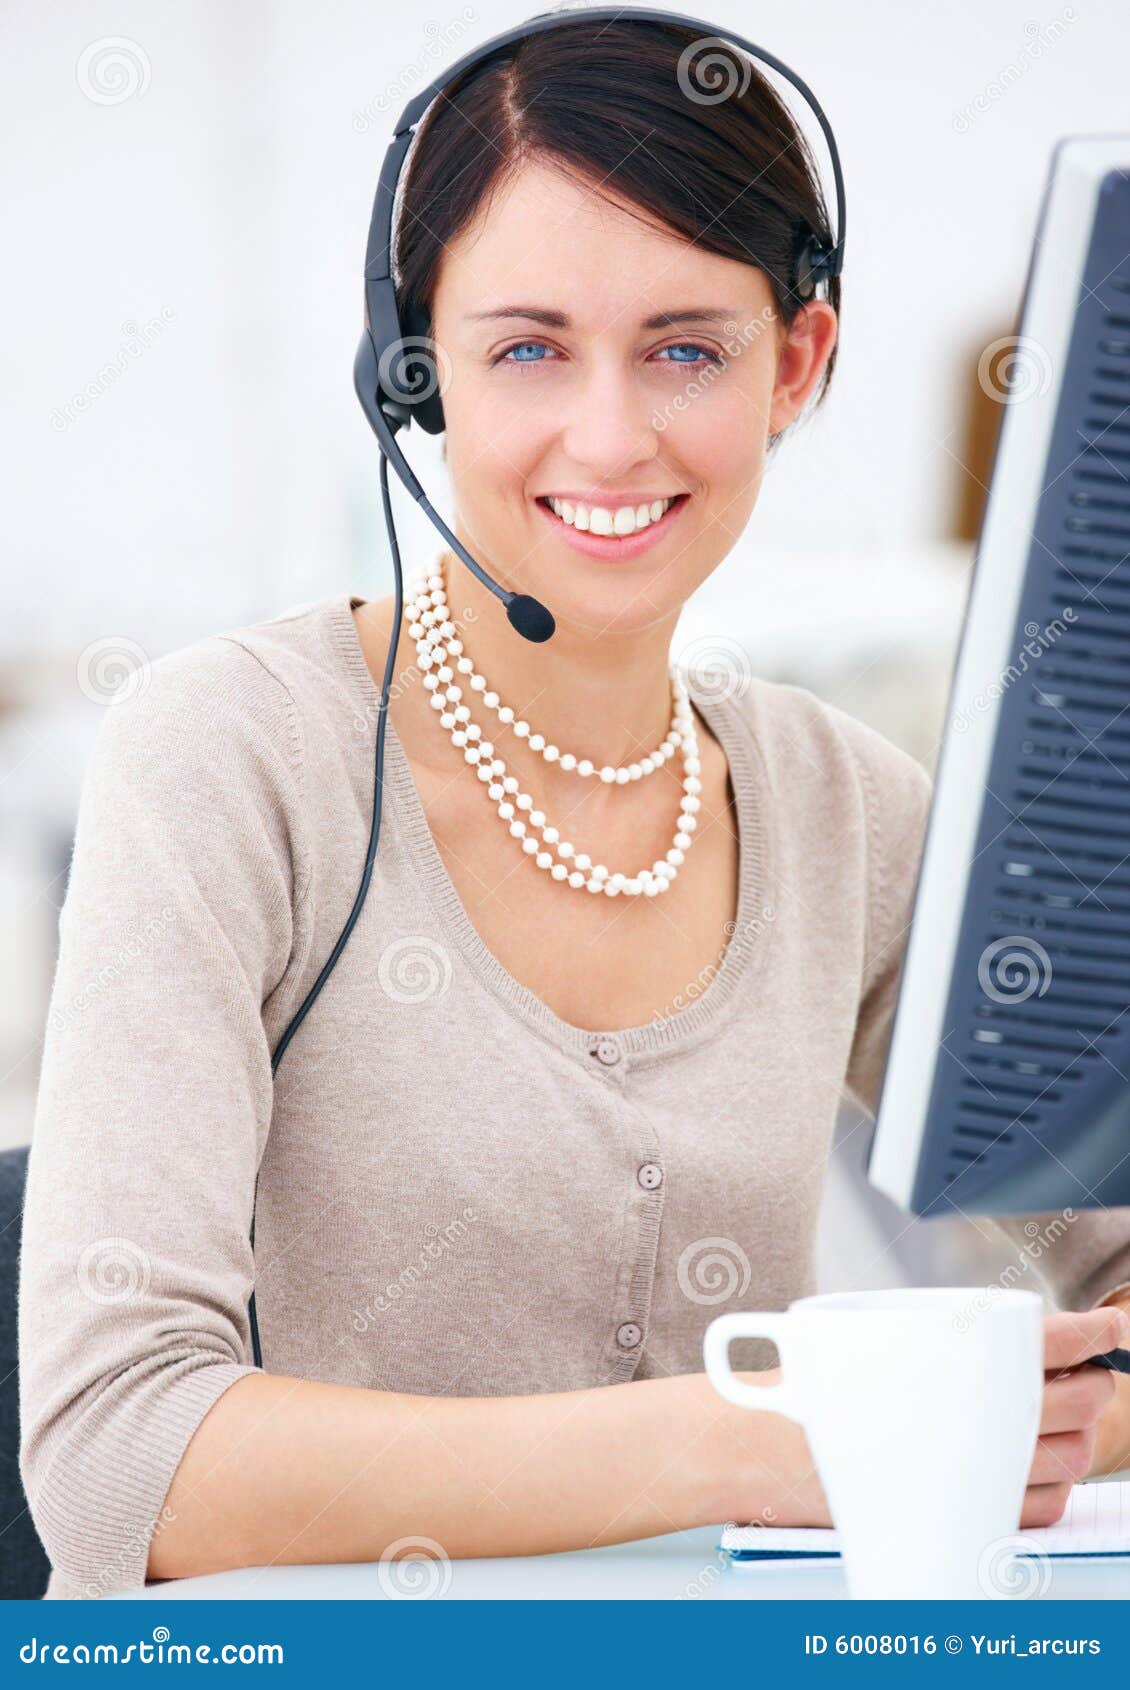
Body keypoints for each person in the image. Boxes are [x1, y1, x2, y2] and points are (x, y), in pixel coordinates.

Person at [19, 16, 1130, 1600]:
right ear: (414, 372)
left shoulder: (844, 810)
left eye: (687, 347)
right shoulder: (226, 757)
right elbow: (117, 1454)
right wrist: (751, 1435)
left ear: (792, 365)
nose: (608, 437)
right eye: (527, 347)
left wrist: (1001, 1415)